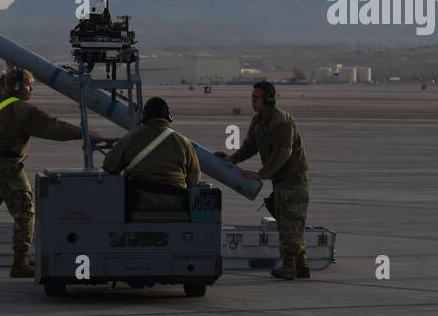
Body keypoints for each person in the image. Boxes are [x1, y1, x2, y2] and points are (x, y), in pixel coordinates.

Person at [0, 65, 82, 278]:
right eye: (30, 86)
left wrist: (7, 72)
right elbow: (52, 127)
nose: (32, 90)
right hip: (5, 168)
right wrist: (83, 133)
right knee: (25, 212)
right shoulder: (22, 110)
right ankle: (19, 263)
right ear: (20, 87)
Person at [215, 80, 310, 280]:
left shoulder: (281, 121)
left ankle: (289, 266)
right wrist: (232, 159)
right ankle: (301, 265)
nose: (253, 101)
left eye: (256, 98)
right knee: (286, 220)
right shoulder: (258, 121)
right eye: (252, 97)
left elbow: (284, 152)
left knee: (290, 223)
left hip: (293, 179)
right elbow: (250, 146)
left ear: (268, 98)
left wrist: (262, 173)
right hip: (281, 180)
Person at [102, 97, 199, 216]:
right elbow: (194, 179)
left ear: (145, 117)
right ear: (169, 117)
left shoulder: (131, 138)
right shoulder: (184, 142)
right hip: (174, 203)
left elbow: (109, 166)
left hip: (139, 202)